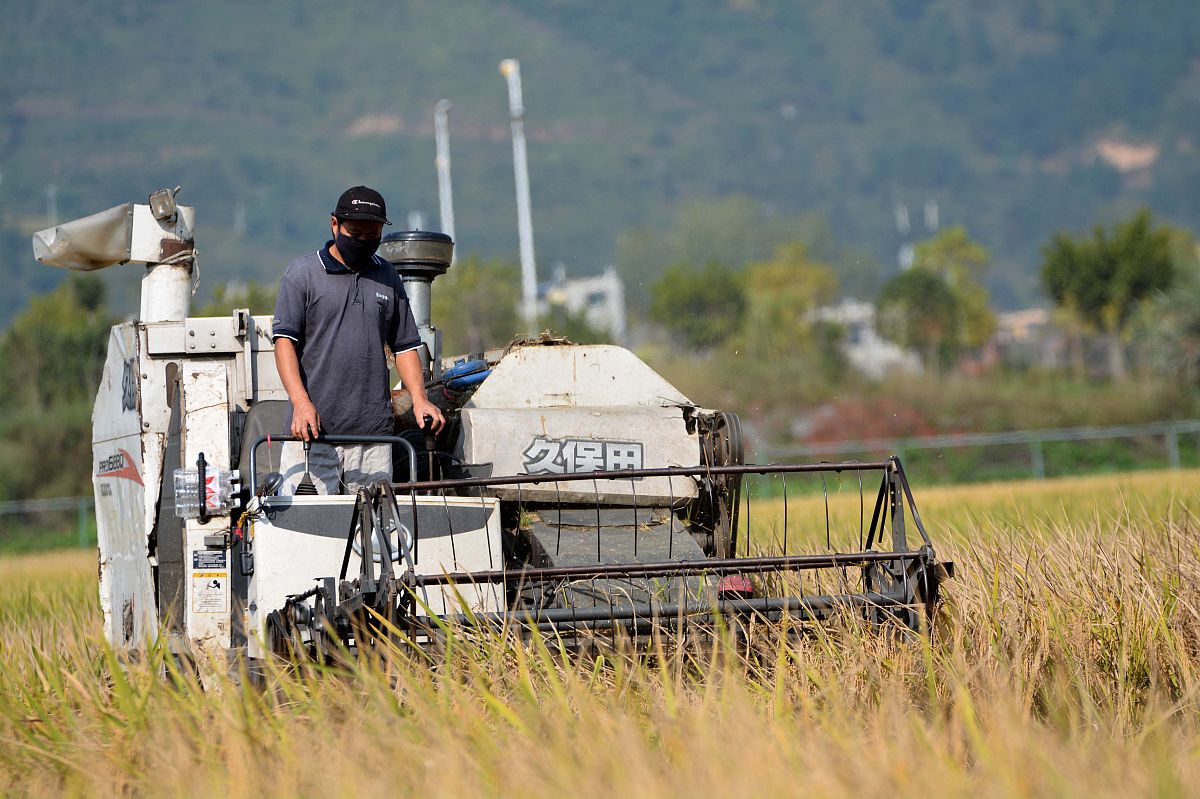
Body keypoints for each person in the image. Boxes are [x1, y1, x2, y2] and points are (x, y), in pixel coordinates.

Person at [271, 185, 444, 494]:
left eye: (371, 235)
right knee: (307, 531)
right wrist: (300, 402)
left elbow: (405, 346)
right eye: (356, 233)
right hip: (313, 436)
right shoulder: (302, 274)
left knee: (375, 535)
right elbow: (284, 342)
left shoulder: (388, 277)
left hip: (373, 440)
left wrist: (419, 398)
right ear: (335, 225)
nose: (363, 241)